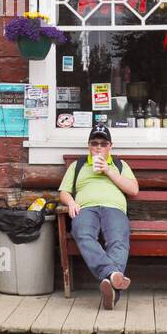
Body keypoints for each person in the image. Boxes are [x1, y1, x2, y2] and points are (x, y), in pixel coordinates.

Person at [58, 125, 139, 310]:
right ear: (89, 145)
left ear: (110, 146)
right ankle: (112, 276)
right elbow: (63, 191)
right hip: (86, 208)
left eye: (103, 143)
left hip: (114, 208)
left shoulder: (119, 165)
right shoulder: (77, 166)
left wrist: (108, 171)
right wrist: (70, 202)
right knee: (83, 234)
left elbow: (133, 190)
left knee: (118, 240)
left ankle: (111, 284)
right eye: (95, 143)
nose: (98, 147)